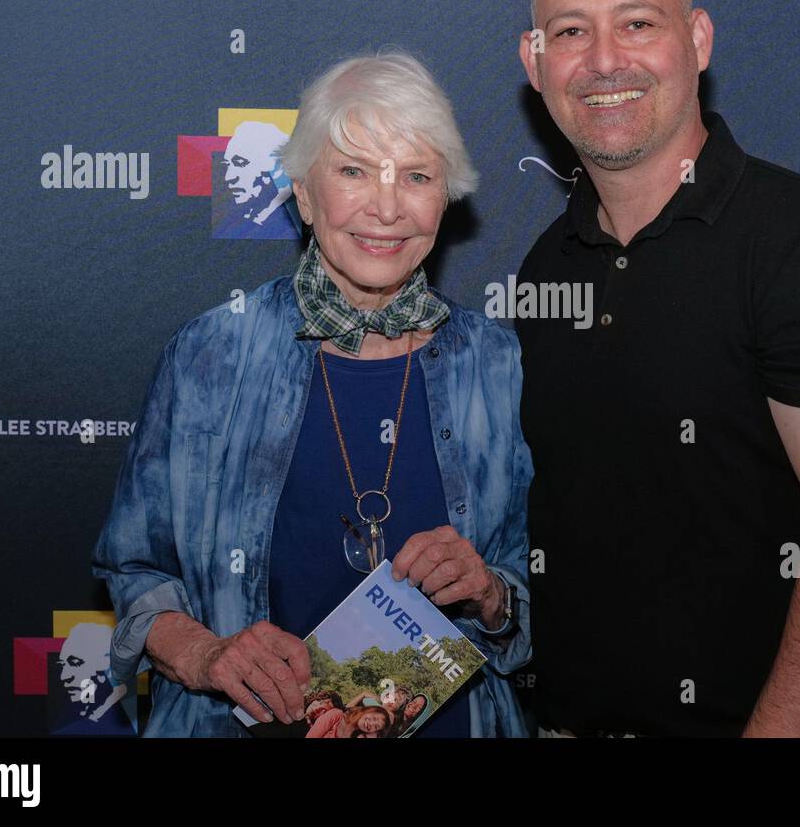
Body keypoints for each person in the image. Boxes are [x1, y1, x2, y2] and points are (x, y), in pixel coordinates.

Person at [515, 0, 800, 737]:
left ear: (697, 40)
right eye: (571, 32)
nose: (604, 61)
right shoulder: (545, 268)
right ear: (535, 63)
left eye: (637, 23)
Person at [93, 50, 532, 738]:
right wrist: (207, 655)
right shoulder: (210, 354)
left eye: (416, 176)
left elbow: (532, 586)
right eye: (354, 170)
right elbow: (132, 567)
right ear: (302, 191)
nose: (386, 207)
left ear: (444, 198)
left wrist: (491, 594)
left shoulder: (497, 363)